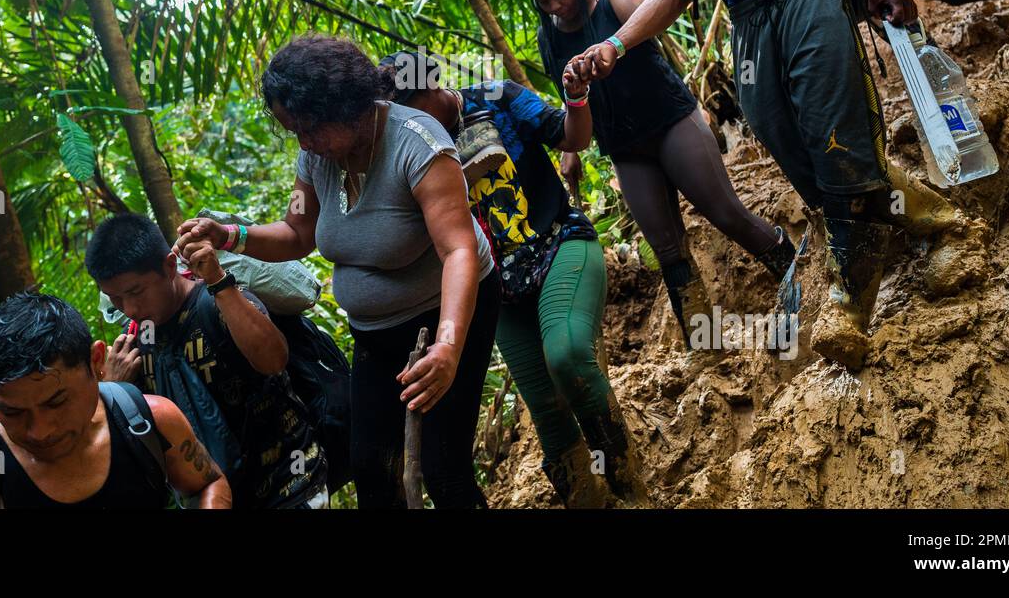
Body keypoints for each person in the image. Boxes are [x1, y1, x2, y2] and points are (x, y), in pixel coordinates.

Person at [564, 0, 924, 371]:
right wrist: (615, 46)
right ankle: (924, 215)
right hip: (746, 21)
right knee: (794, 151)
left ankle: (848, 307)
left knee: (834, 134)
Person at [176, 35, 499, 508]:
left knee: (444, 468)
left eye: (310, 127)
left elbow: (458, 252)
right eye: (295, 131)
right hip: (375, 334)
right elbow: (297, 231)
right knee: (372, 467)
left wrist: (449, 346)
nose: (304, 142)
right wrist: (230, 235)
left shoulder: (420, 144)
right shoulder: (316, 157)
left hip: (445, 318)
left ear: (347, 106)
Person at [376, 47, 638, 506]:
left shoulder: (496, 97)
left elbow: (569, 137)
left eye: (409, 110)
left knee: (569, 353)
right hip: (496, 285)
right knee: (547, 410)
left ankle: (626, 476)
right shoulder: (406, 151)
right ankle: (587, 498)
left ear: (433, 88)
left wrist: (577, 99)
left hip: (558, 242)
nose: (405, 124)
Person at [522, 0, 799, 350]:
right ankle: (706, 347)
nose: (554, 7)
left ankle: (799, 278)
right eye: (542, 1)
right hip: (624, 146)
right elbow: (573, 97)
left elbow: (643, 16)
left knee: (725, 213)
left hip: (670, 120)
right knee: (667, 249)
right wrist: (570, 148)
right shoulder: (549, 38)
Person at [87, 212, 328, 509]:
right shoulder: (133, 345)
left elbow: (273, 361)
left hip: (291, 486)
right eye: (115, 299)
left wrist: (218, 282)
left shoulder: (220, 301)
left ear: (169, 266)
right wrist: (115, 390)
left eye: (137, 291)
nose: (130, 308)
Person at [0, 292, 231, 508]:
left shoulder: (151, 422)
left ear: (96, 362)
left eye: (56, 401)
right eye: (12, 412)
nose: (40, 431)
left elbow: (209, 484)